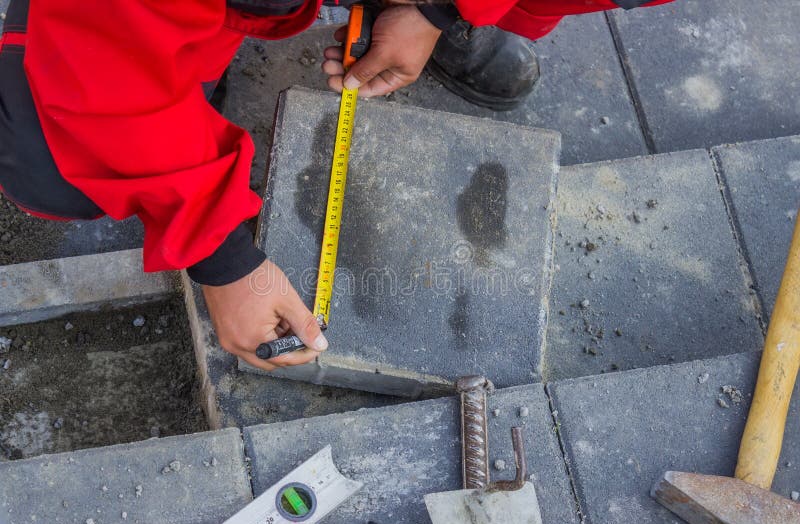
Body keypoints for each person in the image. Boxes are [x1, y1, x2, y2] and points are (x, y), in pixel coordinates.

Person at [0, 0, 673, 372]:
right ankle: (199, 43)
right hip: (114, 20)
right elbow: (105, 73)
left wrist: (439, 10)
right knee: (58, 171)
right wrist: (219, 255)